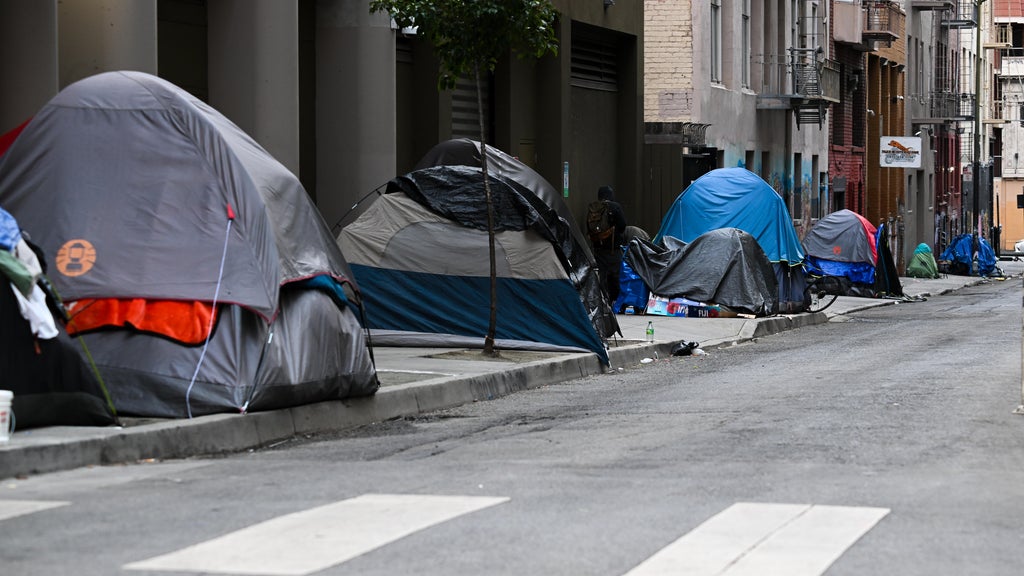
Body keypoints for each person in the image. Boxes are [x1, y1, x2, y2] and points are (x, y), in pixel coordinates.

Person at [587, 185, 627, 304]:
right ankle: (616, 301)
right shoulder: (615, 207)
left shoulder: (593, 208)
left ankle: (604, 300)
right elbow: (622, 225)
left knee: (602, 276)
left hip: (598, 248)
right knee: (615, 275)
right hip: (612, 249)